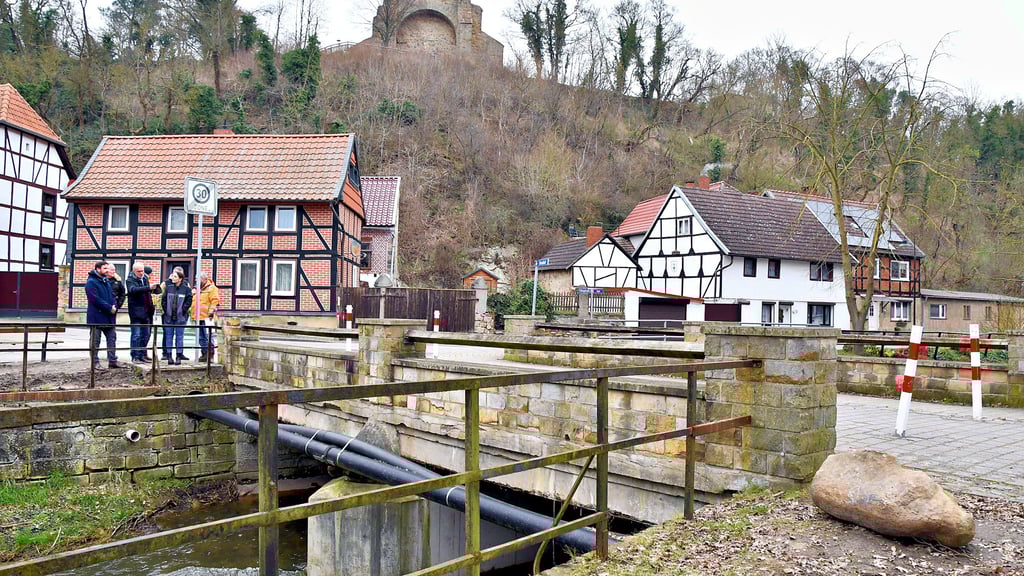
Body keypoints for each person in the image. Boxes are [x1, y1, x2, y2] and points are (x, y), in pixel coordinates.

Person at [84, 260, 119, 369]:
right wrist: (109, 308)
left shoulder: (106, 281)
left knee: (112, 339)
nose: (107, 270)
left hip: (109, 317)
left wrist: (114, 305)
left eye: (108, 268)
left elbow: (112, 295)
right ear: (98, 269)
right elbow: (94, 299)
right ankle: (95, 363)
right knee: (95, 341)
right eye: (105, 268)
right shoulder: (91, 282)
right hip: (97, 317)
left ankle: (112, 361)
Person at [126, 263, 161, 363]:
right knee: (136, 335)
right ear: (134, 271)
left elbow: (148, 292)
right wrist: (148, 288)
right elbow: (133, 290)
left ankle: (142, 355)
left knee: (146, 334)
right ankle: (135, 356)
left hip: (147, 311)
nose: (141, 273)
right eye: (139, 271)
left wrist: (155, 289)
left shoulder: (145, 278)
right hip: (136, 312)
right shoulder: (130, 280)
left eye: (142, 271)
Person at [161, 267, 193, 364]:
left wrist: (182, 311)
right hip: (169, 317)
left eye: (175, 276)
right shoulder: (169, 287)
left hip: (180, 317)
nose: (172, 278)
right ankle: (169, 356)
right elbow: (164, 300)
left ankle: (179, 356)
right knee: (168, 337)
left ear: (180, 278)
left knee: (179, 337)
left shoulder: (186, 289)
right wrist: (166, 311)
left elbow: (188, 301)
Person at [194, 272, 221, 363]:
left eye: (198, 279)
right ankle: (204, 353)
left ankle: (210, 354)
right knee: (201, 337)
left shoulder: (212, 288)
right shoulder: (196, 289)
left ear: (204, 279)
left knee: (208, 336)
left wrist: (210, 313)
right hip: (198, 316)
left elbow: (215, 301)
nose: (196, 281)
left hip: (207, 317)